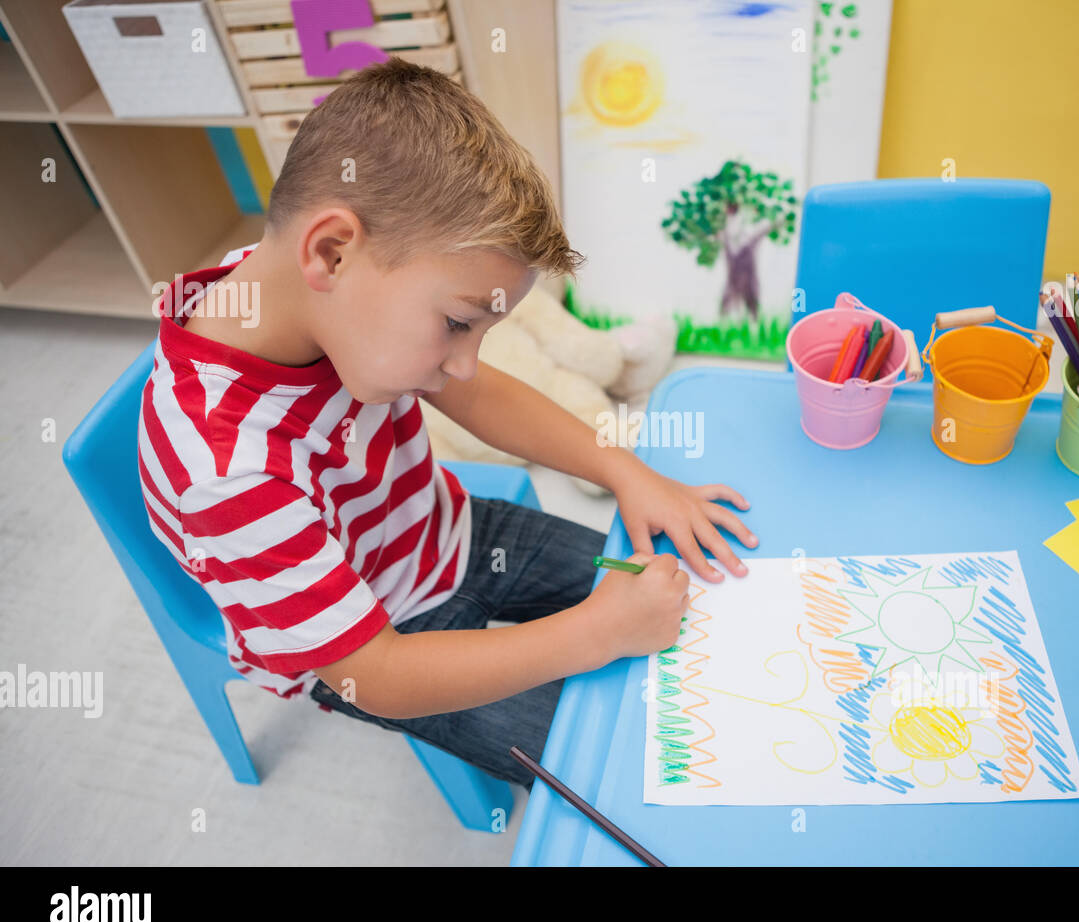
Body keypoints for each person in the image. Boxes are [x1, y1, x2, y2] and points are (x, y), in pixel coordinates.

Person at [138, 58, 757, 788]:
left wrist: (627, 471)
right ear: (331, 251)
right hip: (383, 643)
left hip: (451, 532)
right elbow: (378, 676)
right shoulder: (224, 471)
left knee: (702, 608)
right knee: (635, 772)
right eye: (457, 324)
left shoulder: (305, 293)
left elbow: (477, 395)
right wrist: (595, 634)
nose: (464, 364)